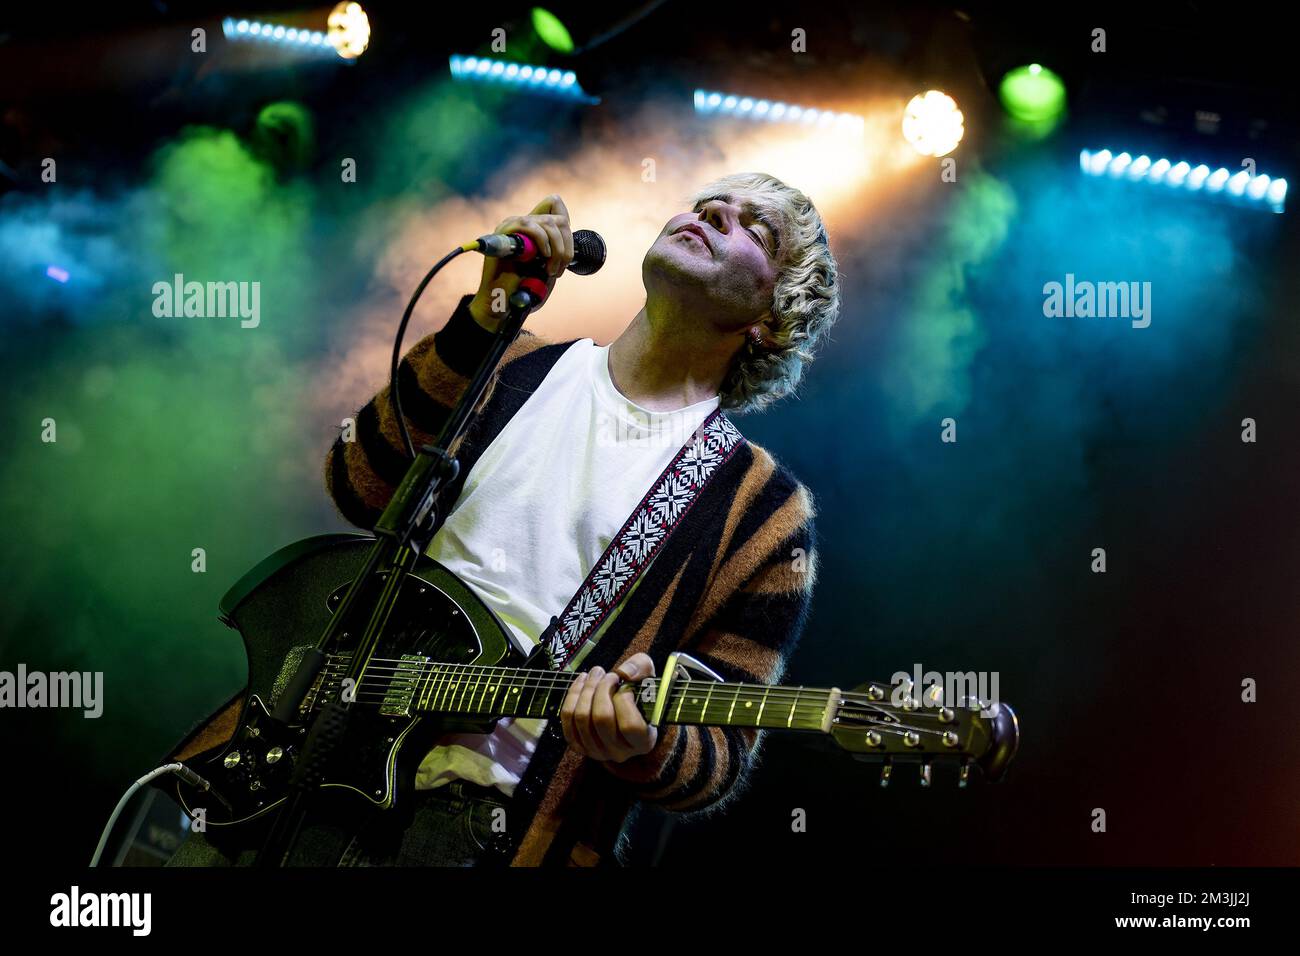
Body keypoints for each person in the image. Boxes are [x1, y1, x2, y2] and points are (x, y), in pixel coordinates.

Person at [167, 171, 839, 867]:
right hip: (295, 764)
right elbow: (356, 481)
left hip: (476, 832)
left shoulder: (761, 509)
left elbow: (722, 753)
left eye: (754, 229)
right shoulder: (512, 363)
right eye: (708, 205)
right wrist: (485, 316)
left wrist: (646, 742)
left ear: (774, 317)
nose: (717, 213)